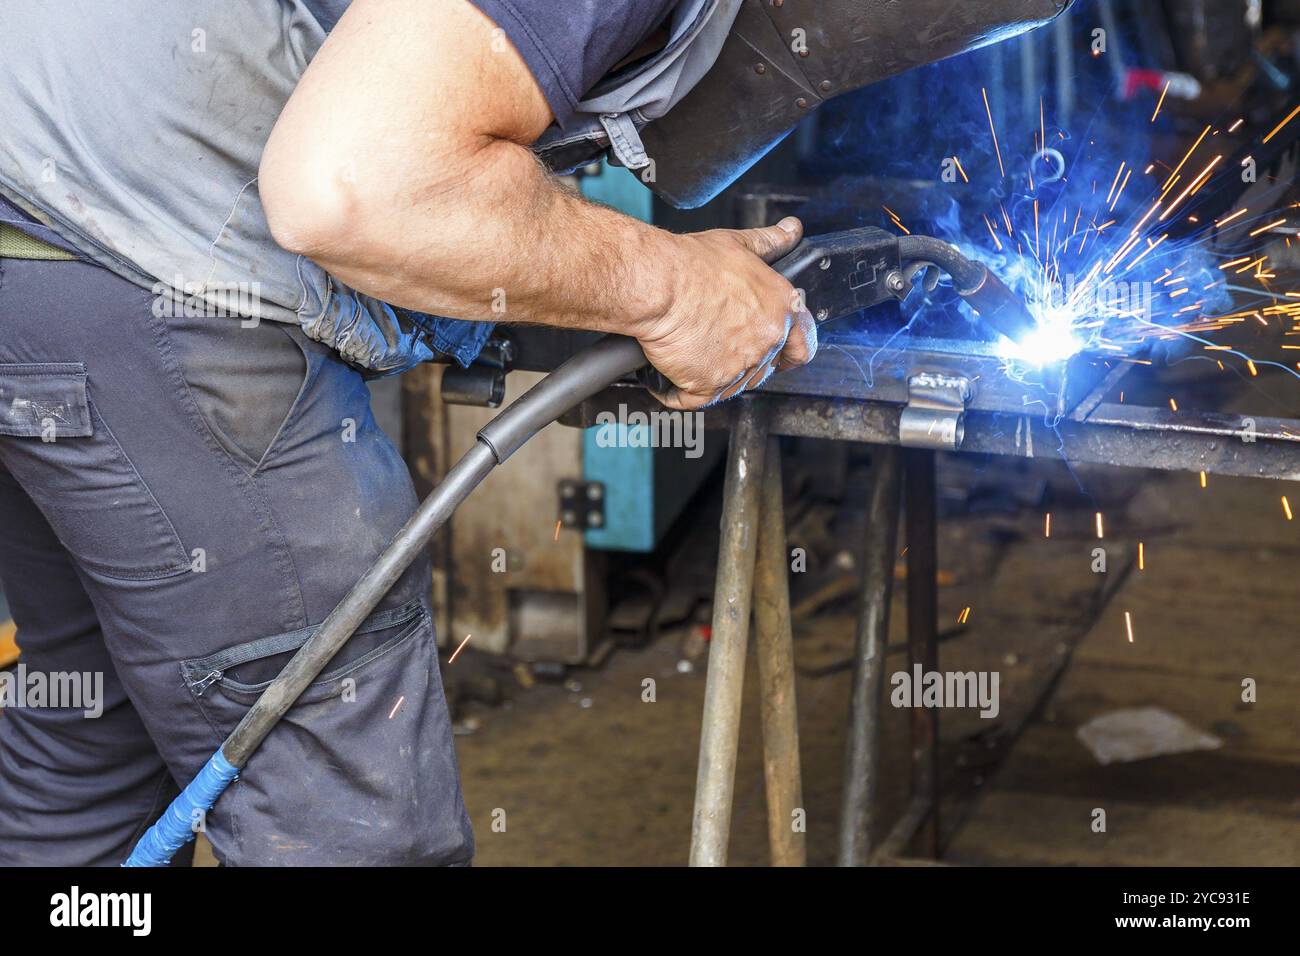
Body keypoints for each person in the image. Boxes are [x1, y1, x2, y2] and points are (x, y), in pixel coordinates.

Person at [0, 0, 815, 865]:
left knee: (95, 730)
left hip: (35, 238)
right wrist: (674, 292)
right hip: (141, 273)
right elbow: (351, 187)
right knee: (352, 822)